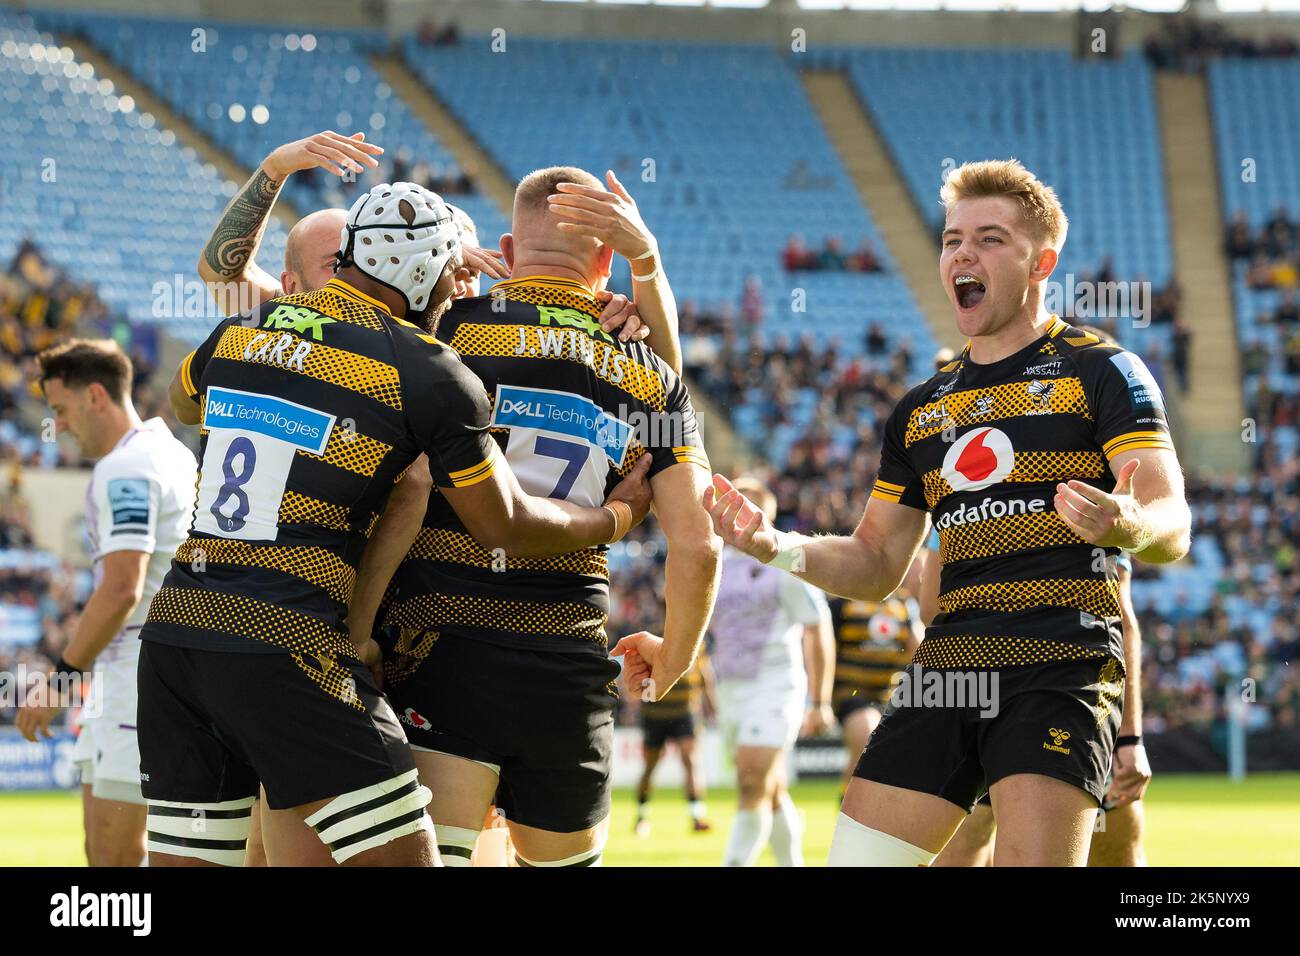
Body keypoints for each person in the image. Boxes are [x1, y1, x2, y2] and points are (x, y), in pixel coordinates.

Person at [139, 181, 651, 867]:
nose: (455, 291)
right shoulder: (425, 369)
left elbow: (184, 402)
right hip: (291, 643)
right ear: (423, 271)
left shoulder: (239, 333)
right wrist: (615, 516)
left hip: (178, 638)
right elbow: (502, 524)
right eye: (451, 273)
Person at [705, 159, 1191, 866]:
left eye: (990, 239)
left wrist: (1129, 523)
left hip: (1058, 663)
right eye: (953, 239)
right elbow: (875, 562)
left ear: (1042, 261)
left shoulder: (1103, 371)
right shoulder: (922, 410)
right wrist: (777, 544)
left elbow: (1170, 519)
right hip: (948, 667)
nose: (964, 254)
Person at [350, 166, 720, 868]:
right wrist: (675, 658)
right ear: (605, 262)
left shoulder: (442, 335)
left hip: (440, 647)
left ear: (507, 252)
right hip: (567, 661)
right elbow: (698, 544)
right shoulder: (648, 371)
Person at [934, 326, 1154, 868]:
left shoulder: (1067, 498)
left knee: (1115, 844)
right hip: (977, 690)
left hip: (1068, 689)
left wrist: (1130, 736)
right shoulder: (950, 511)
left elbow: (1122, 621)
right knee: (966, 840)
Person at [19, 340, 196, 866]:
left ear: (95, 395)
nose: (61, 426)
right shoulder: (173, 453)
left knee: (113, 863)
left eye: (61, 410)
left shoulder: (126, 468)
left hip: (136, 680)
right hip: (159, 672)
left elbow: (121, 587)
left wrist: (61, 681)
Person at [701, 476, 834, 867]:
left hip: (776, 684)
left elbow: (817, 625)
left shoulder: (784, 558)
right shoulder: (715, 562)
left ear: (767, 509)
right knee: (770, 789)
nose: (737, 503)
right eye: (730, 497)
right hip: (731, 689)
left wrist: (820, 701)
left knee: (751, 782)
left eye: (748, 498)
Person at [830, 588, 923, 796]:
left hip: (891, 697)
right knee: (866, 735)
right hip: (851, 694)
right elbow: (826, 652)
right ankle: (848, 808)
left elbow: (920, 654)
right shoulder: (842, 604)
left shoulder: (904, 605)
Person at [634, 655, 716, 836]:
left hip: (685, 713)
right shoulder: (653, 639)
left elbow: (705, 678)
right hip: (655, 714)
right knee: (650, 766)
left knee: (691, 760)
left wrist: (712, 708)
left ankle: (697, 817)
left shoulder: (697, 645)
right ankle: (641, 817)